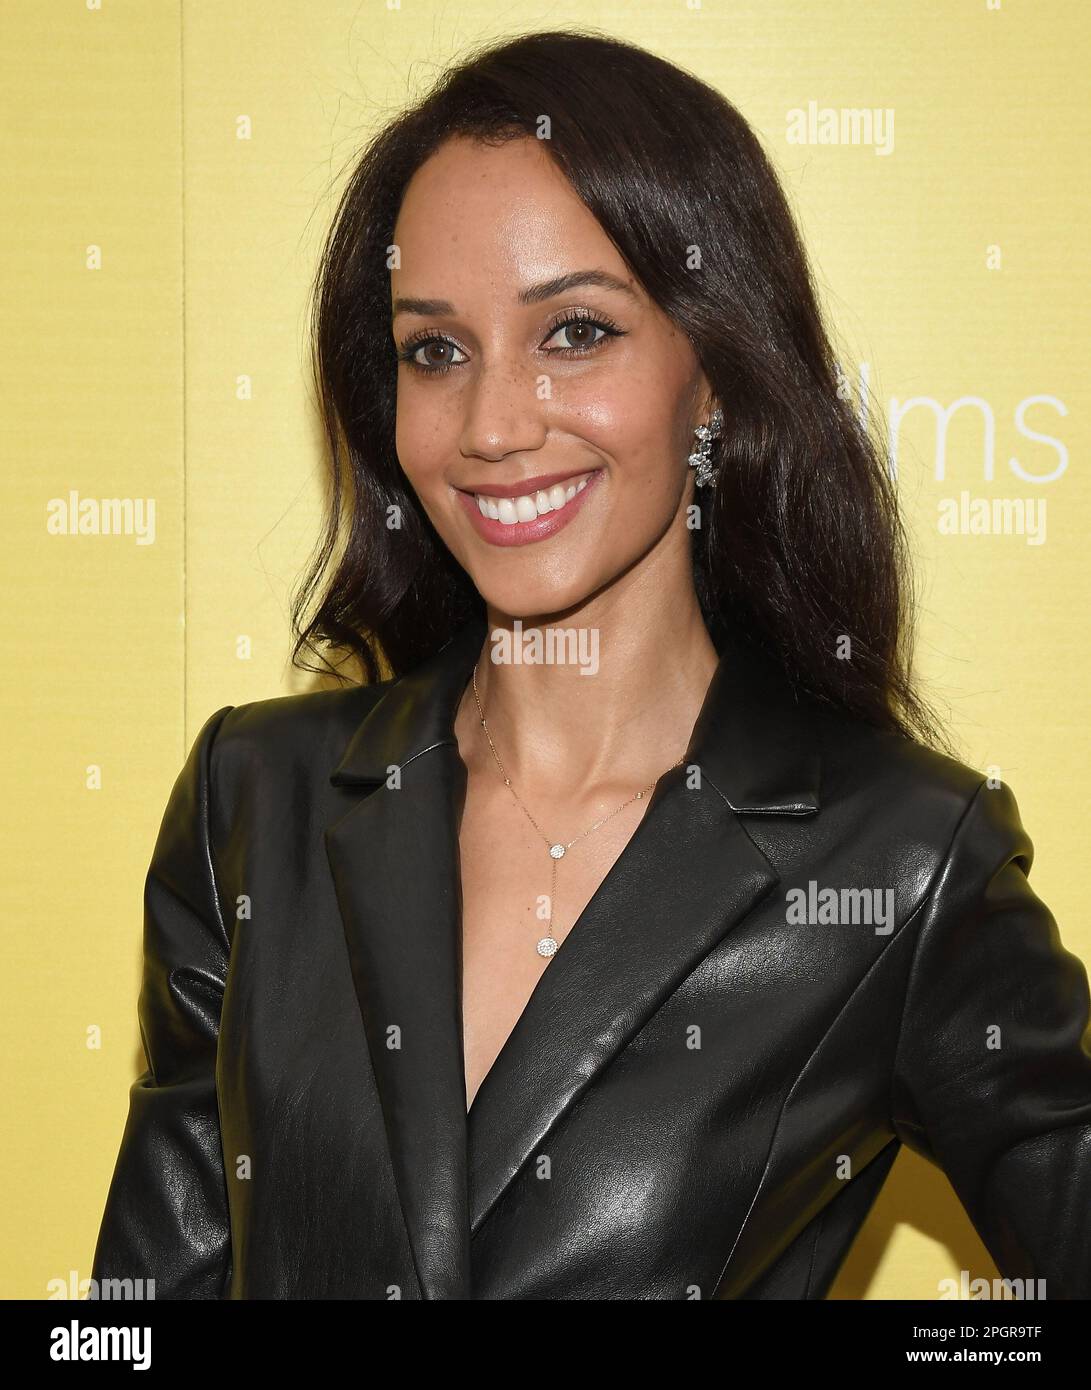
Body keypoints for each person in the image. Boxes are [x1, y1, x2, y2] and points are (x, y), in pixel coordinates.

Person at [90, 28, 1091, 1300]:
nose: (494, 426)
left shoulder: (898, 862)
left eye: (573, 331)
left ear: (714, 372)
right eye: (433, 351)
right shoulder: (254, 803)